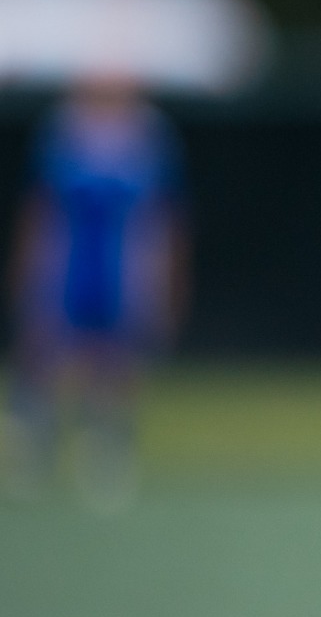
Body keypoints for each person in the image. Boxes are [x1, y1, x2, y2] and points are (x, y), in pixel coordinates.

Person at [5, 77, 187, 507]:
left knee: (116, 362)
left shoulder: (149, 134)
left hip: (124, 265)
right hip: (64, 262)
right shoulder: (63, 128)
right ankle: (34, 445)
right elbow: (39, 205)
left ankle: (106, 451)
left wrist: (171, 282)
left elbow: (168, 216)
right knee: (41, 354)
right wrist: (24, 268)